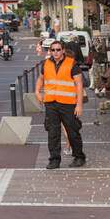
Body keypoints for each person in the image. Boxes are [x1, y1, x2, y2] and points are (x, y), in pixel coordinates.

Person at [35, 40, 86, 169]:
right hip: (51, 103)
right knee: (53, 132)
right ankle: (54, 159)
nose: (55, 52)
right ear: (50, 51)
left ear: (63, 50)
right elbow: (41, 78)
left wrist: (79, 105)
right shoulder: (46, 64)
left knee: (72, 131)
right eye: (53, 50)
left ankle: (79, 157)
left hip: (68, 104)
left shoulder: (71, 64)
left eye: (58, 50)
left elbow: (79, 84)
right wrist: (37, 92)